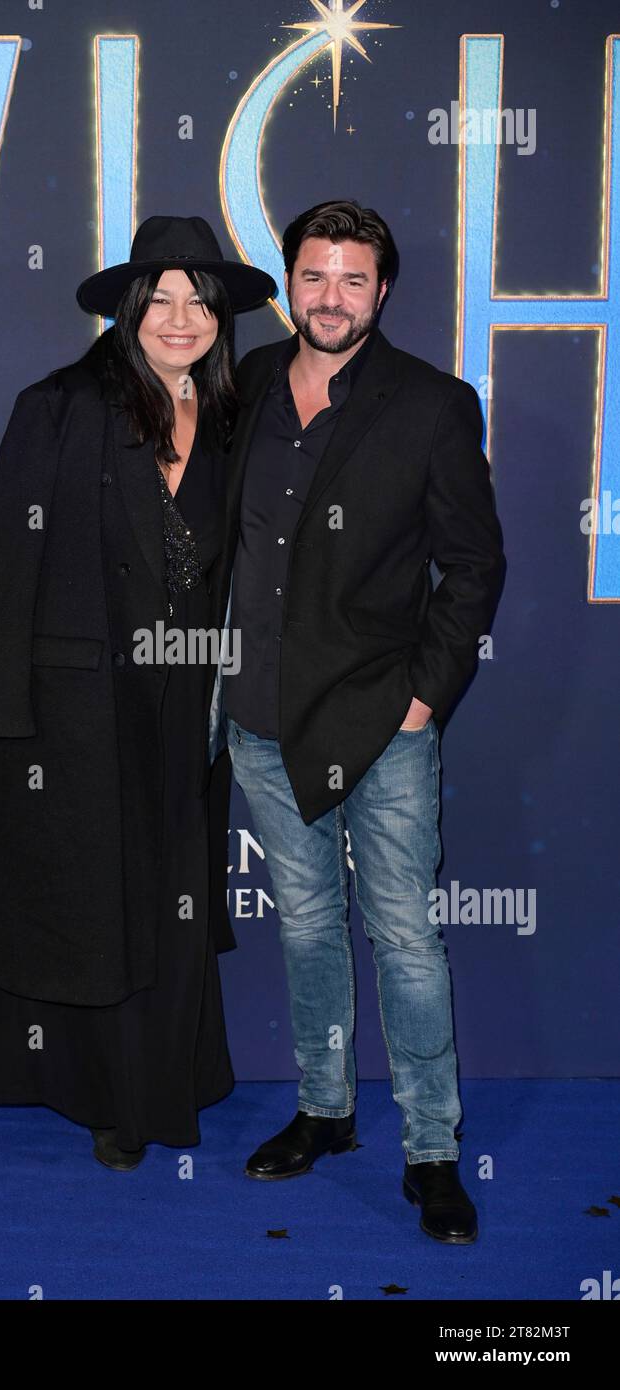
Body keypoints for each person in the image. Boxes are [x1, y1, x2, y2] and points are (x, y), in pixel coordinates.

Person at [0, 215, 276, 1170]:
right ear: (130, 308)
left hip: (177, 712)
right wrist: (0, 717)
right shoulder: (58, 405)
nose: (181, 318)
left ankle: (116, 1089)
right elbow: (4, 576)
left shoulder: (227, 421)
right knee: (2, 889)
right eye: (162, 299)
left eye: (200, 301)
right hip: (67, 709)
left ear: (223, 316)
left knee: (142, 905)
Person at [210, 200, 505, 1241]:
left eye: (351, 279)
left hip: (380, 721)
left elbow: (471, 568)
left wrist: (422, 700)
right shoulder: (242, 386)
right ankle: (325, 1112)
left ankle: (430, 1149)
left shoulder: (430, 405)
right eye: (311, 275)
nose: (328, 297)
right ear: (287, 280)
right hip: (258, 715)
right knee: (303, 929)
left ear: (381, 291)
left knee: (406, 941)